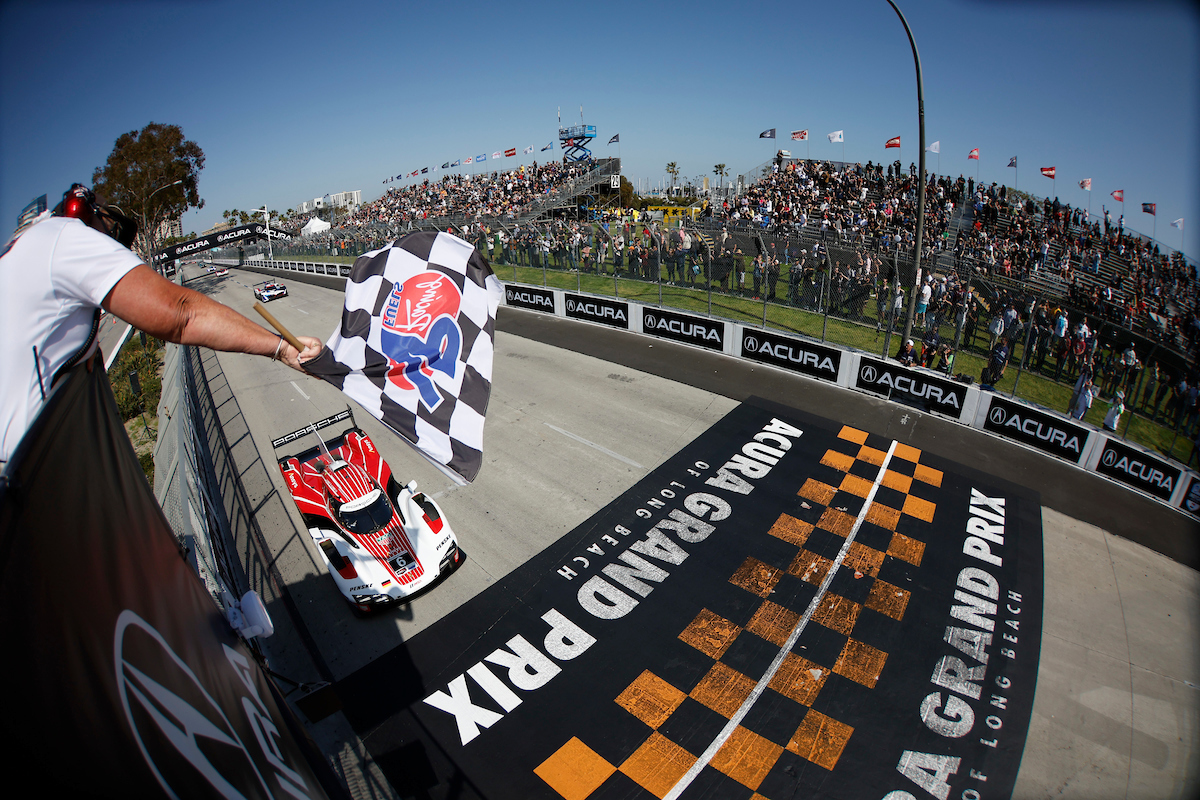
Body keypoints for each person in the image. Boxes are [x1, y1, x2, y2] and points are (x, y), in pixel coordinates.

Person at [1, 184, 322, 465]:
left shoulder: (24, 250)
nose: (112, 244)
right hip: (28, 472)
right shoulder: (66, 235)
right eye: (111, 231)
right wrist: (281, 348)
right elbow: (182, 314)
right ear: (85, 211)